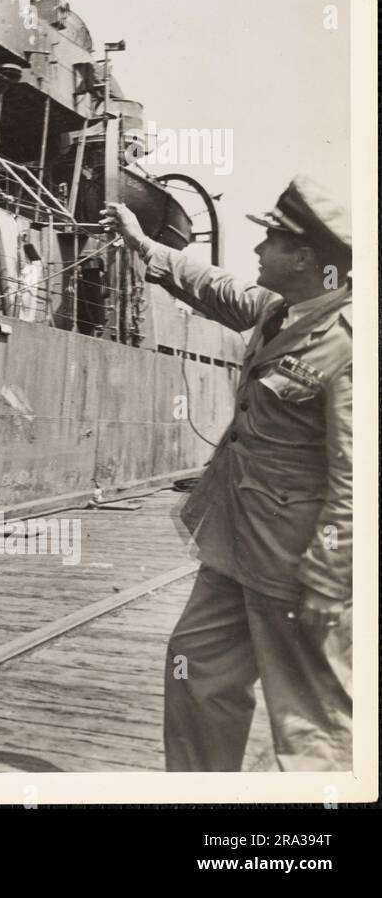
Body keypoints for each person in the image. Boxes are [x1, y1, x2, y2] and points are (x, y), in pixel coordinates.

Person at [101, 176, 353, 772]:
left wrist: (329, 576)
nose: (258, 249)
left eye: (270, 238)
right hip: (234, 546)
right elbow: (211, 284)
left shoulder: (347, 345)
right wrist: (142, 244)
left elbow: (356, 476)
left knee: (309, 722)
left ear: (306, 257)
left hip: (297, 565)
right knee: (195, 665)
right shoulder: (279, 309)